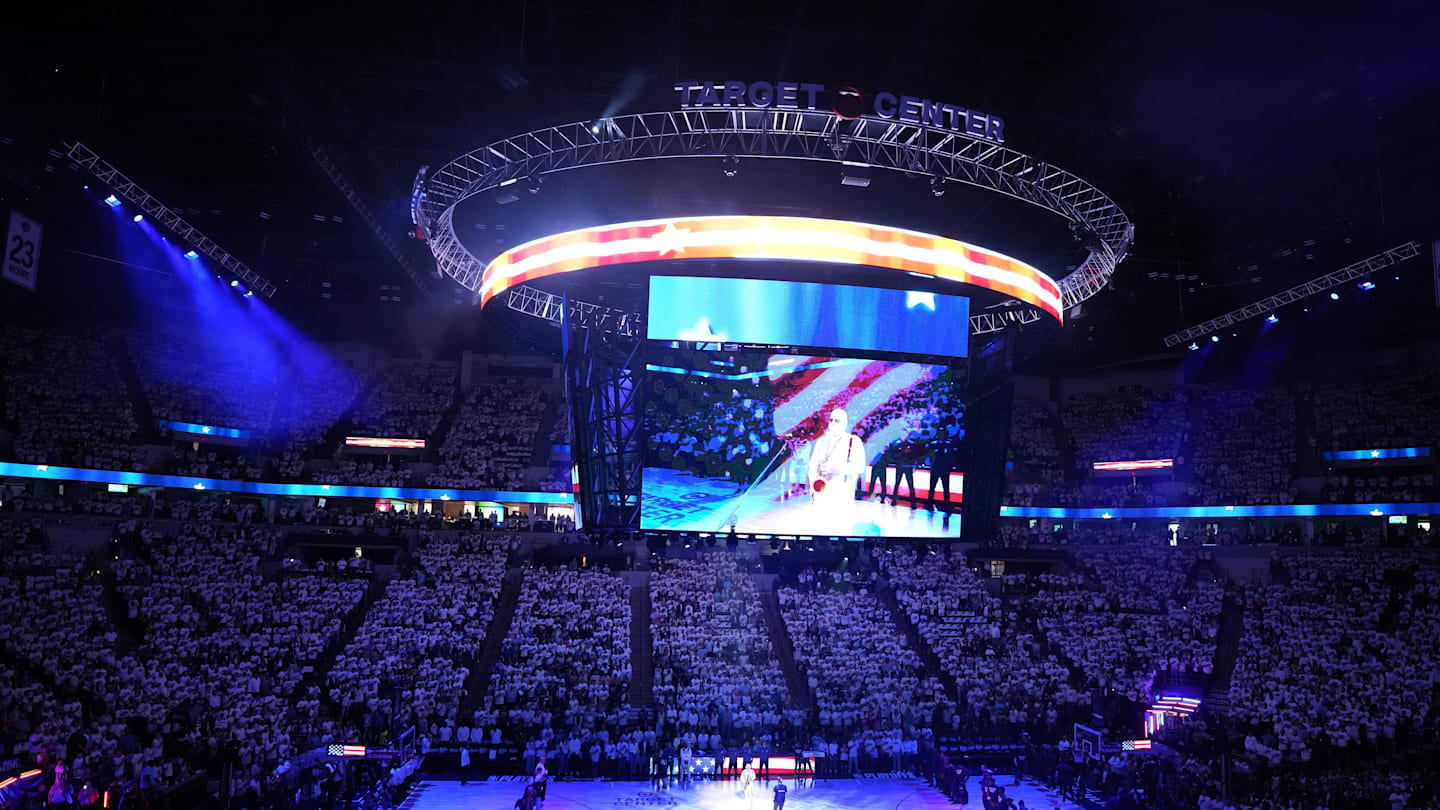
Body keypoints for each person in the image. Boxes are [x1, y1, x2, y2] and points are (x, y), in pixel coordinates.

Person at [808, 409, 866, 535]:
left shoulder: (853, 441)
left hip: (842, 498)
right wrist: (813, 486)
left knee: (840, 533)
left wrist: (838, 469)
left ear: (845, 423)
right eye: (831, 420)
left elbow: (860, 466)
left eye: (837, 421)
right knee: (819, 532)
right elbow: (813, 465)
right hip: (821, 497)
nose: (833, 423)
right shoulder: (821, 442)